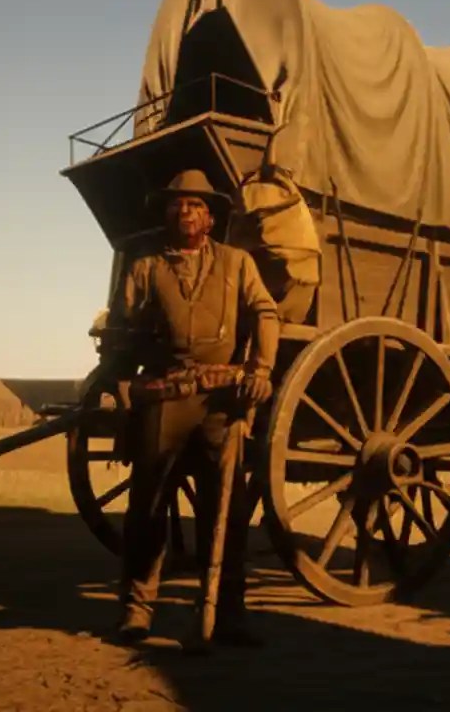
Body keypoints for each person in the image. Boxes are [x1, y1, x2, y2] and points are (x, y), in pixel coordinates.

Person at [91, 168, 280, 649]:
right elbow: (120, 327)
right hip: (165, 396)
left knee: (229, 511)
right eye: (178, 204)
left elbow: (265, 311)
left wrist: (260, 369)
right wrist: (116, 381)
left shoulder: (238, 264)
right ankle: (136, 611)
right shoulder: (145, 264)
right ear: (168, 213)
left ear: (210, 218)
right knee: (148, 507)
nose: (186, 211)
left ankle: (229, 613)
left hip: (221, 399)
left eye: (195, 205)